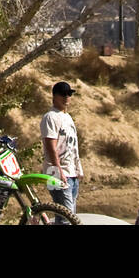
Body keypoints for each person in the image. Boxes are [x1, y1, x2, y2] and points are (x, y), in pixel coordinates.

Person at [41, 81, 82, 222]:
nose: (66, 97)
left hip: (71, 174)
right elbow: (50, 146)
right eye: (63, 94)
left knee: (68, 217)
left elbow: (73, 147)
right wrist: (59, 171)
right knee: (66, 218)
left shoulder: (67, 117)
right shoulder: (50, 117)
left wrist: (78, 171)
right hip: (56, 173)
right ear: (54, 96)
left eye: (69, 94)